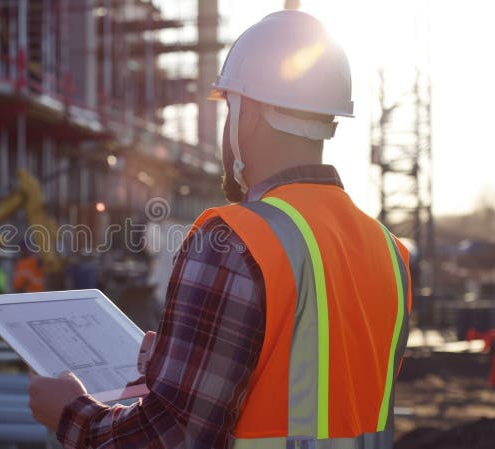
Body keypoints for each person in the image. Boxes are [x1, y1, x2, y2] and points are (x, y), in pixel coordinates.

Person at [28, 10, 412, 449]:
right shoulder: (390, 252)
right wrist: (176, 370)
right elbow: (313, 388)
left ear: (247, 112)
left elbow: (171, 439)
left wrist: (70, 414)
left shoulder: (235, 239)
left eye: (229, 107)